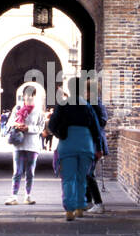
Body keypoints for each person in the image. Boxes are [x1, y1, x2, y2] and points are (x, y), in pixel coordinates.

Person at [43, 77, 103, 221]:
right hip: (86, 145)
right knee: (81, 178)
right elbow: (96, 128)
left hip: (67, 144)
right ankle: (80, 207)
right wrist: (99, 148)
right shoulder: (87, 106)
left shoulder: (63, 105)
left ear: (69, 89)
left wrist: (61, 134)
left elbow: (51, 125)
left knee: (68, 178)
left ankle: (69, 210)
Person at [4, 84, 45, 205]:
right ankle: (13, 196)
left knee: (30, 172)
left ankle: (28, 195)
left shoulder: (38, 111)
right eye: (26, 96)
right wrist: (16, 125)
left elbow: (40, 127)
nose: (28, 98)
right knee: (17, 171)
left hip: (32, 145)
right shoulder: (17, 108)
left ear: (34, 97)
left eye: (30, 96)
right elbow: (9, 123)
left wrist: (28, 128)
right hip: (18, 144)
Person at [84, 78, 109, 215]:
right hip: (91, 142)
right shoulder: (90, 102)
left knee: (88, 173)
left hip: (95, 142)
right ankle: (88, 202)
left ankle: (98, 203)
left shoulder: (95, 102)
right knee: (87, 173)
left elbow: (102, 121)